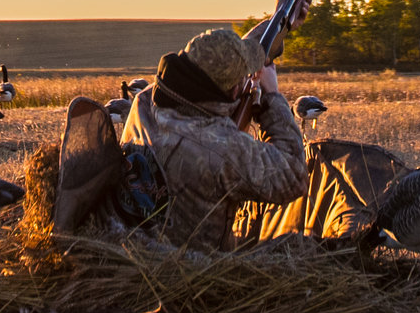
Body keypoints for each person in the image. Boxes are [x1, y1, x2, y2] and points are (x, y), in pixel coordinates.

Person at [119, 24, 307, 249]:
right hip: (194, 265)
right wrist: (272, 96)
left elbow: (217, 63)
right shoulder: (223, 148)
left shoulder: (144, 103)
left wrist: (280, 23)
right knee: (299, 246)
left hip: (135, 248)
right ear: (234, 91)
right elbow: (294, 175)